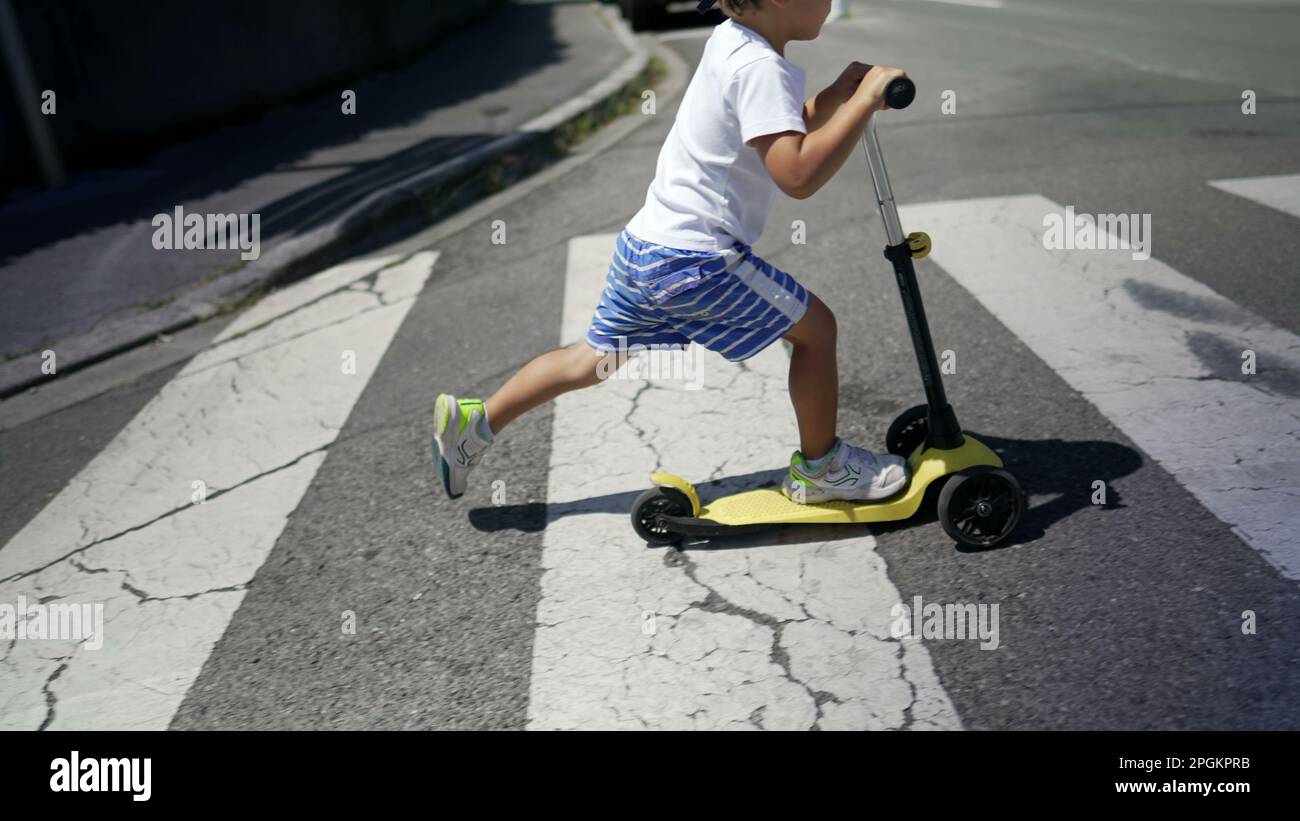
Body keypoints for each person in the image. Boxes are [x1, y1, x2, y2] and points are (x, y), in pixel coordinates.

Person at [434, 0, 909, 505]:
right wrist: (861, 106)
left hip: (647, 245)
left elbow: (772, 133)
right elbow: (796, 174)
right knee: (816, 330)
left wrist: (835, 98)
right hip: (696, 259)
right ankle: (822, 468)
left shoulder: (733, 40)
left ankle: (477, 423)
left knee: (588, 361)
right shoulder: (761, 67)